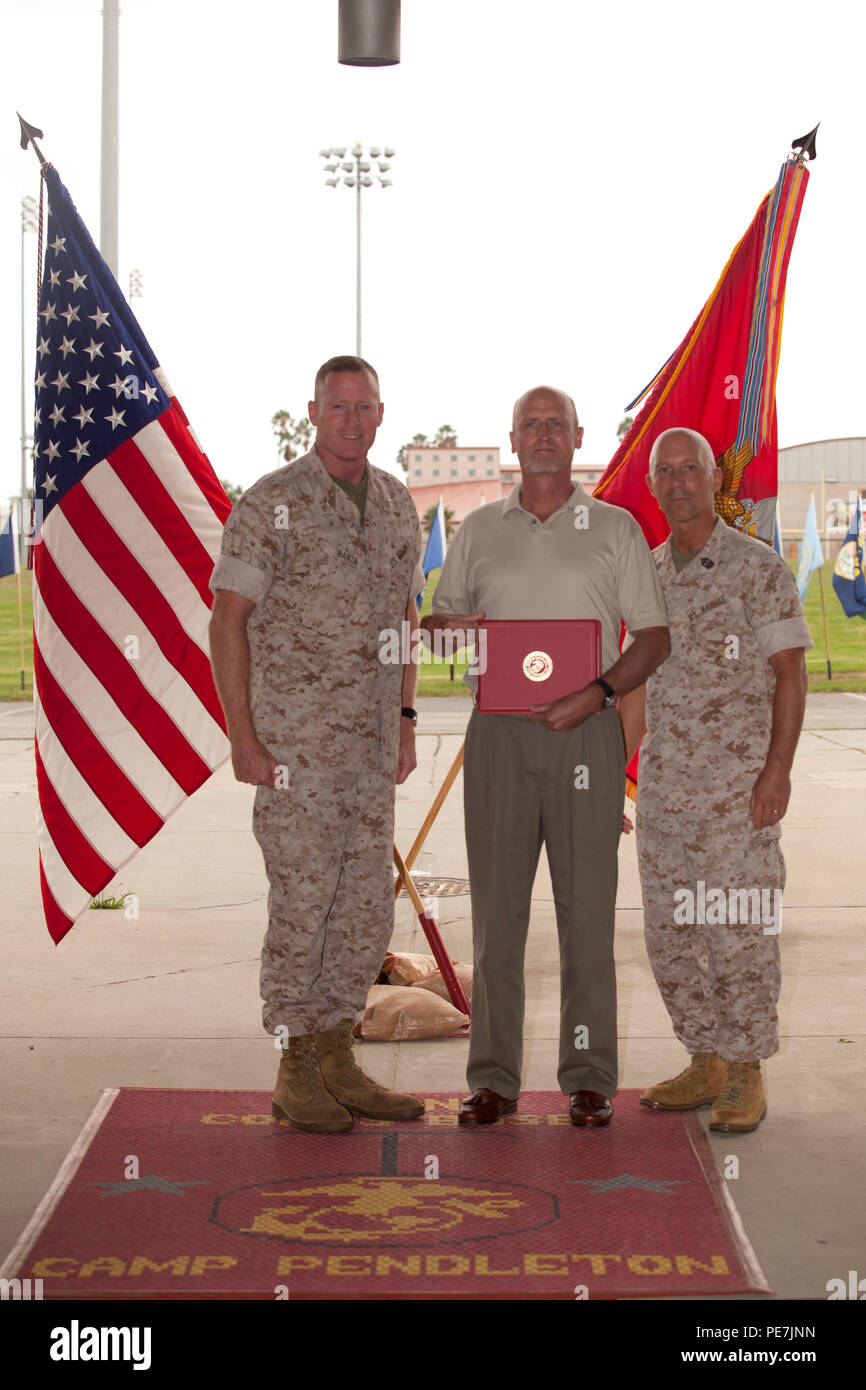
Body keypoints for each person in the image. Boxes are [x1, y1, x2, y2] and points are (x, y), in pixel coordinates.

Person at [422, 386, 670, 1127]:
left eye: (555, 424)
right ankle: (492, 1079)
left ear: (576, 436)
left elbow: (652, 639)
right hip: (498, 734)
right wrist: (450, 625)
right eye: (529, 424)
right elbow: (435, 627)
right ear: (511, 439)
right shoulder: (479, 530)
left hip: (585, 730)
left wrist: (596, 693)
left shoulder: (615, 528)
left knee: (587, 914)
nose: (542, 435)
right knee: (498, 916)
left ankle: (588, 1078)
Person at [208, 355, 427, 1134]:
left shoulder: (399, 505)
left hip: (370, 753)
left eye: (365, 407)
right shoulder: (271, 504)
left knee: (364, 908)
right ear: (313, 411)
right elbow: (228, 619)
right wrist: (243, 736)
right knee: (302, 906)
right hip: (296, 751)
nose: (353, 420)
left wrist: (404, 720)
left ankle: (337, 1052)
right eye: (339, 407)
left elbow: (405, 614)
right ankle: (294, 1064)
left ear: (380, 413)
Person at [619, 427, 811, 1133]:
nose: (676, 482)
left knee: (739, 930)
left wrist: (777, 770)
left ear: (712, 478)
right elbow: (634, 687)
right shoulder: (647, 573)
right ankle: (704, 1057)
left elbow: (791, 672)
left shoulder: (756, 567)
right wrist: (616, 777)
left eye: (688, 469)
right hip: (667, 793)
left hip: (738, 792)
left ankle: (746, 1067)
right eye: (663, 472)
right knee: (670, 934)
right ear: (654, 484)